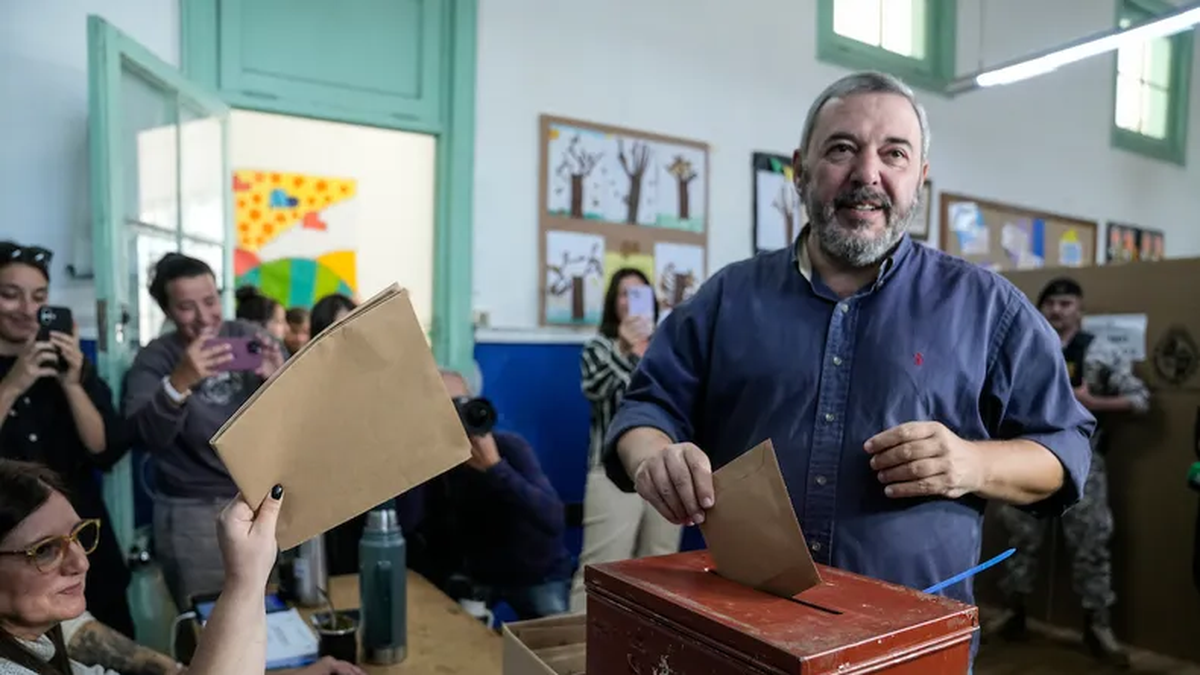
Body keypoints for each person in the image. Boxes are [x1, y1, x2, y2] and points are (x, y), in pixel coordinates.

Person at [600, 71, 1095, 669]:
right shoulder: (726, 299)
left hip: (907, 649)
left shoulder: (988, 309)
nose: (867, 174)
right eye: (841, 149)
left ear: (920, 178)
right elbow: (643, 411)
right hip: (746, 636)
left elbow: (1064, 448)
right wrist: (654, 455)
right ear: (800, 170)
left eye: (894, 153)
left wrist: (972, 461)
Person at [0, 458, 363, 675]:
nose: (80, 562)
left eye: (78, 535)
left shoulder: (40, 642)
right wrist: (246, 581)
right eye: (45, 551)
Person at [990, 277, 1149, 667]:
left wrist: (1094, 401)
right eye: (1051, 304)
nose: (1058, 311)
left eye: (1066, 304)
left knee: (1091, 546)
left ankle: (1098, 626)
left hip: (1084, 464)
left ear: (1079, 309)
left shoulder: (1098, 351)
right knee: (1019, 540)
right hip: (1027, 457)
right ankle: (1015, 612)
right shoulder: (1027, 345)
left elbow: (1139, 400)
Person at [122, 253, 285, 611]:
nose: (204, 316)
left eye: (210, 301)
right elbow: (146, 437)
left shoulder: (248, 336)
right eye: (185, 307)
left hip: (260, 501)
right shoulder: (157, 359)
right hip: (193, 512)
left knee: (267, 615)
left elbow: (293, 422)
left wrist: (278, 383)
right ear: (167, 310)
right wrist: (179, 382)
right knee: (208, 620)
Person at [0, 242, 135, 638]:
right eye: (10, 295)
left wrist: (72, 384)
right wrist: (13, 384)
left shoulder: (73, 365)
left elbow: (104, 450)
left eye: (39, 297)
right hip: (19, 562)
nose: (26, 309)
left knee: (118, 643)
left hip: (86, 542)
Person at [569, 269, 678, 612]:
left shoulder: (667, 345)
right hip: (611, 472)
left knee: (662, 567)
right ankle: (578, 653)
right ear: (612, 303)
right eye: (623, 294)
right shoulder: (599, 347)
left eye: (639, 293)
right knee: (601, 567)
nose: (631, 301)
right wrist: (625, 348)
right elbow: (595, 389)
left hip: (666, 470)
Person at [429, 370, 573, 620]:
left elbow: (552, 517)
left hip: (537, 573)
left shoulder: (509, 447)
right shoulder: (436, 463)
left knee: (555, 648)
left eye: (460, 404)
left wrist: (495, 467)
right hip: (479, 574)